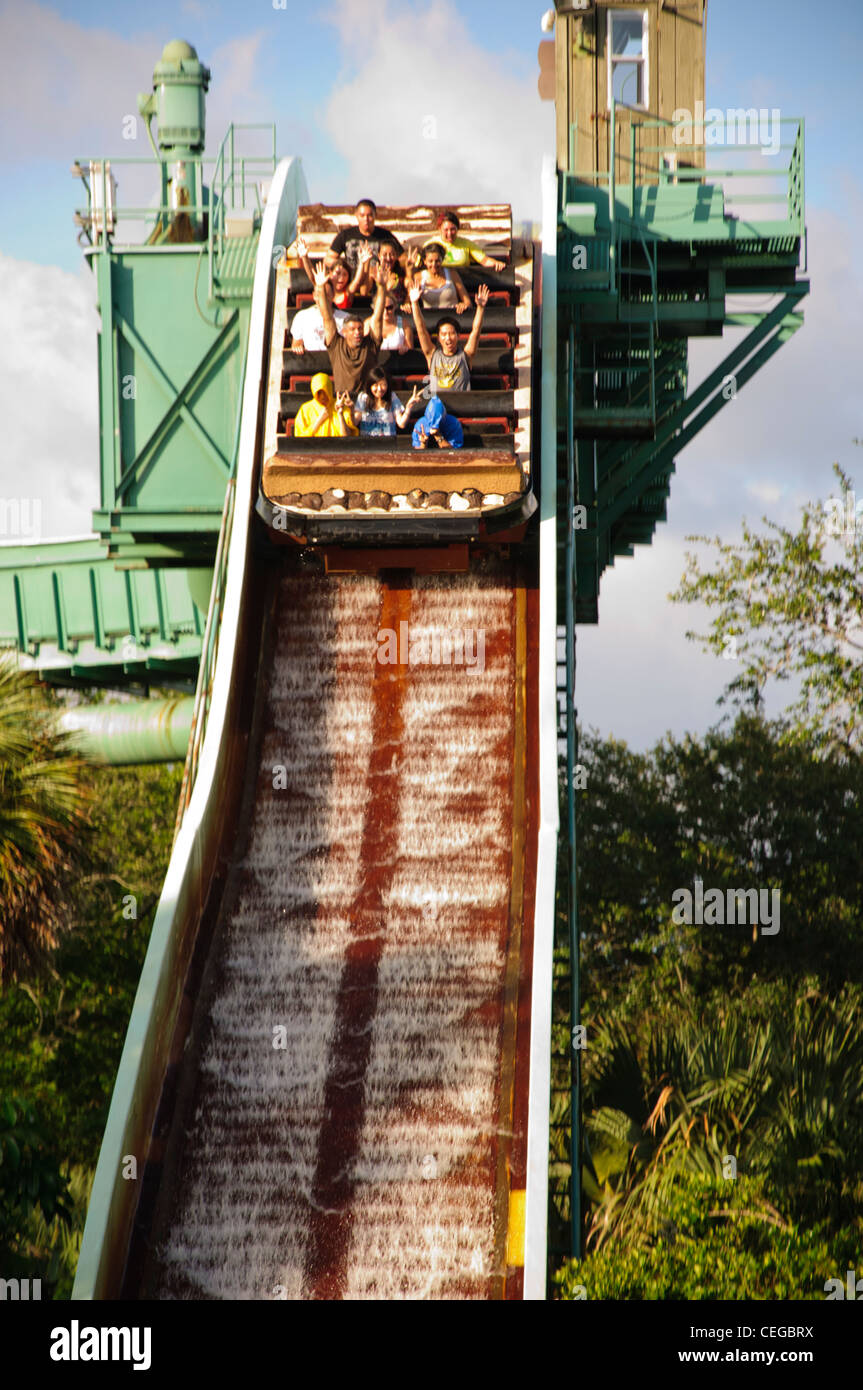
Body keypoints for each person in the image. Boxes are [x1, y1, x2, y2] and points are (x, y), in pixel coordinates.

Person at [314, 263, 386, 397]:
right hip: (343, 402)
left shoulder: (370, 344)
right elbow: (327, 317)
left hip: (366, 403)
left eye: (359, 329)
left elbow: (378, 317)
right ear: (345, 332)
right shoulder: (336, 344)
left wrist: (381, 287)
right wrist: (320, 287)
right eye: (352, 329)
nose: (357, 332)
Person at [408, 282, 489, 391]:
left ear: (458, 335)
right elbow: (420, 328)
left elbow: (476, 331)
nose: (448, 338)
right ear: (439, 337)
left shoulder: (465, 356)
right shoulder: (432, 354)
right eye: (444, 334)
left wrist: (480, 308)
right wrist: (414, 303)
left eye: (451, 333)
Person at [325, 198, 404, 275]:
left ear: (375, 215)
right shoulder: (345, 235)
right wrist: (346, 268)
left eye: (369, 215)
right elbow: (328, 259)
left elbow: (403, 258)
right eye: (362, 215)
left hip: (378, 279)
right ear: (356, 215)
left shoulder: (386, 236)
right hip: (352, 280)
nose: (366, 219)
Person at [426, 210, 506, 271]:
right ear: (439, 229)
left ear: (457, 229)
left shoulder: (466, 244)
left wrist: (496, 263)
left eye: (453, 229)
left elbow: (484, 260)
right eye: (446, 230)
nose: (449, 233)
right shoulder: (431, 244)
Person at [352, 367, 422, 437]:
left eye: (383, 384)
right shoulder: (363, 397)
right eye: (375, 385)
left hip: (388, 445)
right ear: (370, 385)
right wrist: (351, 409)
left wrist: (409, 407)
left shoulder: (392, 397)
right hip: (367, 445)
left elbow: (401, 424)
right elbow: (354, 422)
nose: (379, 389)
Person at [406, 242, 470, 314]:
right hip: (429, 320)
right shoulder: (419, 277)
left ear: (442, 260)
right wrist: (409, 272)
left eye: (437, 261)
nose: (434, 264)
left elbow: (467, 302)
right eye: (430, 261)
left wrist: (463, 305)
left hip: (452, 319)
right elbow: (408, 301)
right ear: (425, 261)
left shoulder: (452, 274)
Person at [293, 373, 358, 437]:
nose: (323, 397)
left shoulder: (340, 405)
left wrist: (340, 414)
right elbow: (300, 439)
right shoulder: (305, 410)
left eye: (325, 392)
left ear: (329, 390)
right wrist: (319, 420)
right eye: (319, 393)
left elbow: (347, 437)